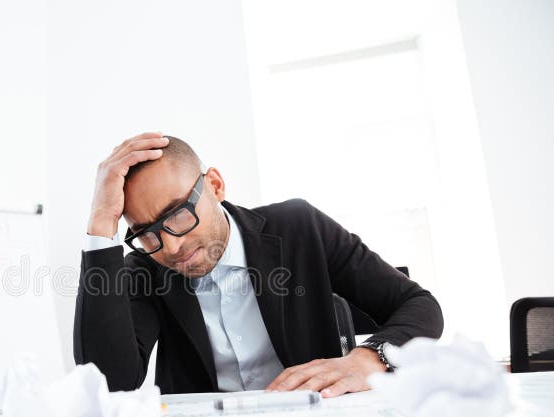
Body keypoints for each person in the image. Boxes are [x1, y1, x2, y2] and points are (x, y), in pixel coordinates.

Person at [74, 132, 444, 396]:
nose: (170, 246)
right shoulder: (146, 265)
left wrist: (368, 359)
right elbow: (109, 385)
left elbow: (420, 306)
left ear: (215, 186)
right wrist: (100, 226)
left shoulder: (299, 227)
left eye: (179, 214)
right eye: (147, 233)